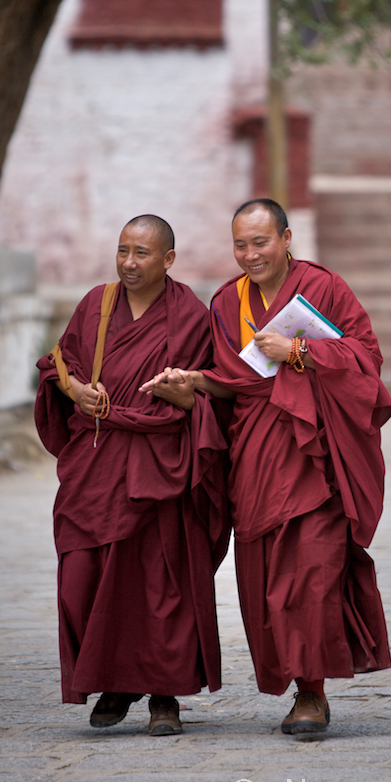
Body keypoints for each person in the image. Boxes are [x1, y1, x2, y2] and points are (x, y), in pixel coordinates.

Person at [141, 199, 391, 734]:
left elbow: (365, 358)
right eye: (240, 244)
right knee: (265, 580)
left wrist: (298, 348)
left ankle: (311, 694)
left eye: (261, 242)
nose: (251, 254)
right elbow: (231, 379)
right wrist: (191, 382)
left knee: (311, 572)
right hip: (253, 453)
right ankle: (293, 677)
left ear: (285, 238)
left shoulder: (324, 288)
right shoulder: (226, 301)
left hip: (311, 454)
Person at [35, 214, 229, 736]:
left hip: (160, 465)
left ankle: (163, 696)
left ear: (167, 260)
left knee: (158, 584)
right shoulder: (96, 305)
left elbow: (212, 392)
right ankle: (117, 680)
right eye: (123, 251)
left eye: (142, 253)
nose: (129, 263)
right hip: (96, 461)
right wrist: (77, 392)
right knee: (83, 578)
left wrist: (185, 395)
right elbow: (58, 361)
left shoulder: (190, 314)